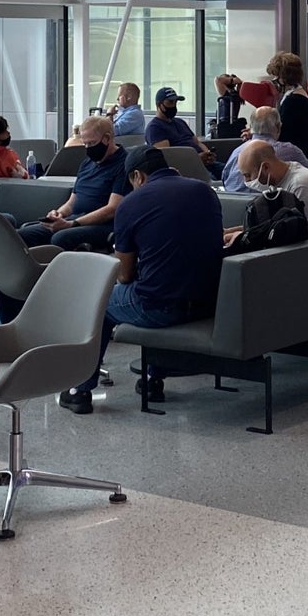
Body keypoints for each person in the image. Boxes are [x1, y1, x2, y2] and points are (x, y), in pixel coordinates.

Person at [58, 148, 223, 416]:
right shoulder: (204, 191)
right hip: (209, 302)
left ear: (137, 176)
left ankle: (80, 389)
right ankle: (151, 380)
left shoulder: (131, 205)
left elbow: (124, 275)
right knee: (159, 282)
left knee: (97, 301)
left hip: (161, 307)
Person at [19, 114, 131, 254]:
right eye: (85, 144)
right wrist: (58, 213)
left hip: (103, 225)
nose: (88, 148)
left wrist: (73, 224)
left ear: (107, 138)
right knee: (25, 233)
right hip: (75, 219)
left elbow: (112, 209)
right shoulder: (87, 164)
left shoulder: (124, 164)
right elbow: (72, 202)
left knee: (60, 238)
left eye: (91, 143)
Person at [234, 140, 308, 241]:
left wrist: (241, 236)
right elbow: (273, 225)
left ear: (266, 167)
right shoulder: (278, 179)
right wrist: (234, 232)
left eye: (248, 175)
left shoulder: (300, 185)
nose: (246, 181)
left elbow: (296, 234)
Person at [220, 107, 308, 192]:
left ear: (250, 127)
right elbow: (307, 177)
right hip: (269, 204)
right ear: (278, 126)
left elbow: (225, 178)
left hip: (229, 203)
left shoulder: (237, 152)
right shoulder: (291, 151)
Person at [144, 86, 217, 170]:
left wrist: (207, 154)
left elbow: (197, 143)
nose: (174, 106)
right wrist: (195, 159)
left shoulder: (180, 122)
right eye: (170, 102)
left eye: (175, 102)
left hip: (204, 164)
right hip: (187, 169)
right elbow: (167, 157)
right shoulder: (155, 128)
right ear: (159, 105)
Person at [268, 52, 308, 154]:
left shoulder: (293, 100)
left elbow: (284, 131)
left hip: (294, 154)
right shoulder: (298, 95)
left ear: (284, 77)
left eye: (277, 76)